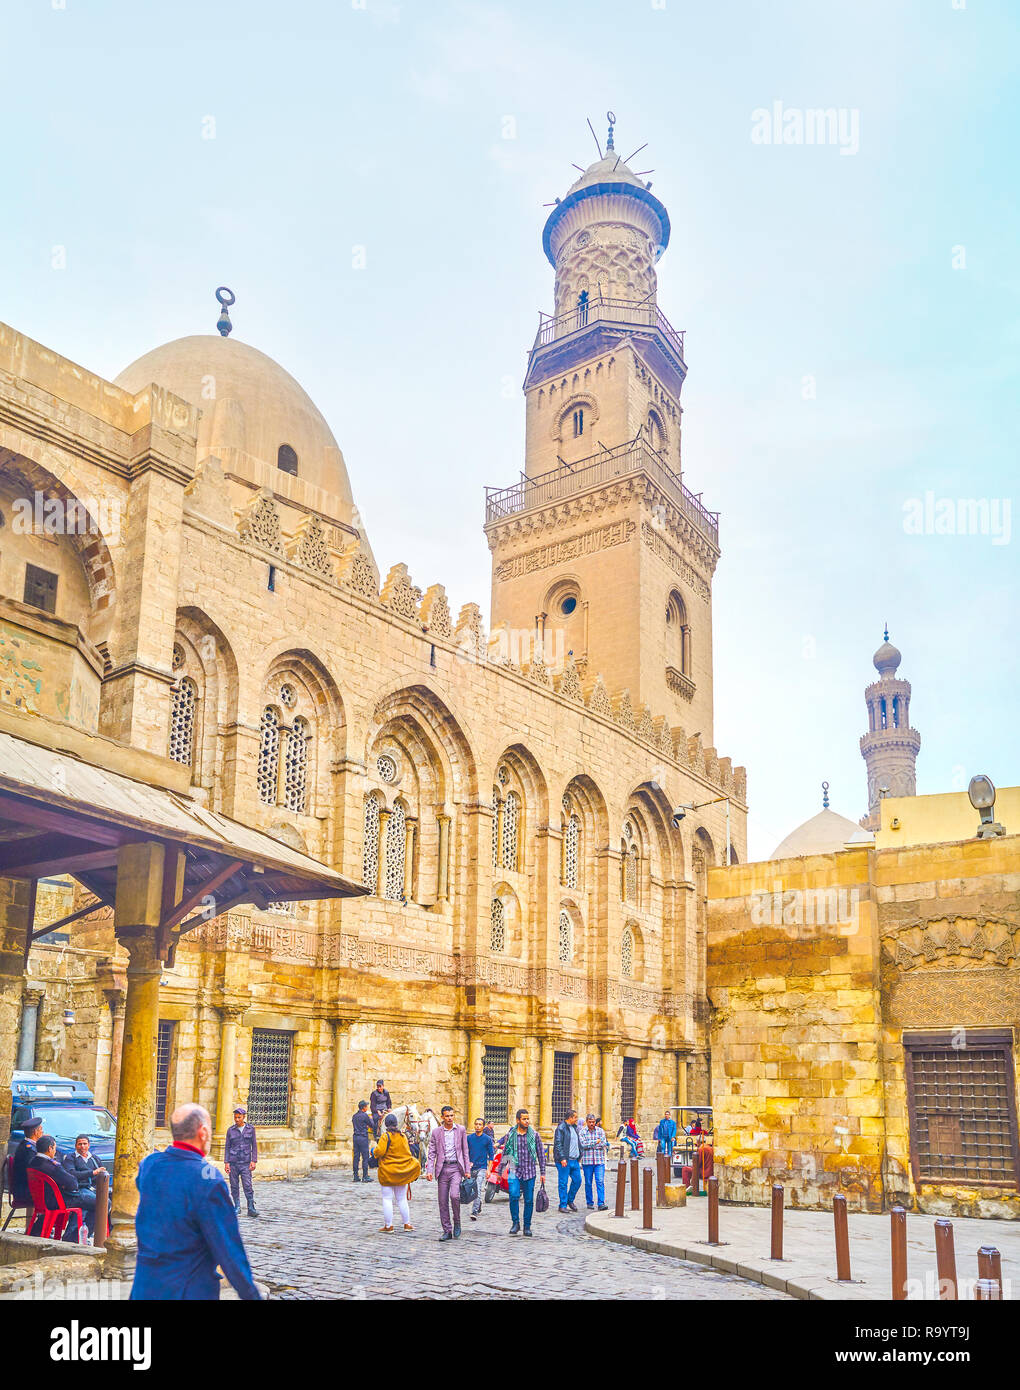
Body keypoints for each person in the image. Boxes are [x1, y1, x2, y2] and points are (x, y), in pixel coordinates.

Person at [131, 1102, 261, 1300]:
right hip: (188, 1290)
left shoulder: (149, 1165)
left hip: (145, 1288)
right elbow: (228, 1249)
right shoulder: (208, 1178)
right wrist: (251, 1295)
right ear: (203, 1132)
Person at [425, 1104, 470, 1242]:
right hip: (442, 1169)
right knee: (442, 1201)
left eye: (452, 1115)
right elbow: (432, 1152)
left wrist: (467, 1170)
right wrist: (429, 1170)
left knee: (455, 1196)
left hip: (456, 1168)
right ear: (442, 1117)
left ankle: (457, 1222)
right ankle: (447, 1230)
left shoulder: (461, 1130)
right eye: (447, 1116)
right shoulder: (436, 1132)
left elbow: (465, 1151)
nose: (450, 1118)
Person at [498, 1108, 546, 1237]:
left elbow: (541, 1154)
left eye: (528, 1119)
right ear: (518, 1120)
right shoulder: (511, 1135)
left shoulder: (534, 1135)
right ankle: (515, 1223)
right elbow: (506, 1153)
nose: (527, 1121)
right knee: (513, 1196)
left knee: (529, 1200)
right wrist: (500, 1171)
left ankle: (527, 1226)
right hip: (514, 1170)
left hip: (530, 1172)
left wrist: (543, 1173)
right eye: (524, 1119)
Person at [28, 1134, 86, 1240]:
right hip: (56, 1201)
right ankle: (72, 1238)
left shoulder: (32, 1162)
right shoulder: (52, 1166)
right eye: (54, 1148)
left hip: (41, 1200)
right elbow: (73, 1183)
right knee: (97, 1203)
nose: (55, 1151)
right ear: (50, 1148)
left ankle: (38, 1231)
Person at [374, 1112, 420, 1232]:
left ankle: (389, 1226)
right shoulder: (403, 1136)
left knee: (387, 1199)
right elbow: (407, 1153)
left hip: (387, 1172)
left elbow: (379, 1152)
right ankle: (407, 1224)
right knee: (402, 1199)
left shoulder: (385, 1136)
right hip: (401, 1172)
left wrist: (373, 1151)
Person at [62, 1134, 110, 1237]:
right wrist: (92, 1173)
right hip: (80, 1189)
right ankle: (83, 1235)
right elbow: (71, 1174)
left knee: (111, 1201)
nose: (82, 1146)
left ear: (89, 1145)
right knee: (102, 1203)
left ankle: (91, 1233)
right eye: (80, 1144)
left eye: (85, 1144)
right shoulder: (71, 1158)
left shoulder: (95, 1159)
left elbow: (100, 1174)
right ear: (75, 1146)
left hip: (94, 1189)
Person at [223, 1105, 259, 1217]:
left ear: (243, 1117)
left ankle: (251, 1207)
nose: (237, 1119)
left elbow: (254, 1145)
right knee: (234, 1185)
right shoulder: (230, 1130)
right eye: (235, 1117)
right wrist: (226, 1162)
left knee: (247, 1185)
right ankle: (237, 1207)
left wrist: (254, 1161)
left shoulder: (250, 1129)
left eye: (239, 1117)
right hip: (233, 1162)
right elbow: (227, 1147)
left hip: (246, 1162)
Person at [553, 1107, 582, 1213]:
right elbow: (558, 1143)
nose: (577, 1119)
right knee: (563, 1183)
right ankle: (562, 1205)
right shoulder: (561, 1128)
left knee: (578, 1180)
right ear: (570, 1117)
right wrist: (562, 1158)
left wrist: (580, 1154)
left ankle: (570, 1200)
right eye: (575, 1117)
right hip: (564, 1160)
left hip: (574, 1160)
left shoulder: (574, 1128)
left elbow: (577, 1142)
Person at [578, 1113, 609, 1211]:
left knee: (600, 1181)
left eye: (593, 1122)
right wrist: (596, 1142)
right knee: (588, 1182)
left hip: (599, 1161)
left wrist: (593, 1144)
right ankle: (589, 1202)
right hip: (587, 1162)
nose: (592, 1124)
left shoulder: (600, 1131)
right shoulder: (582, 1132)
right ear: (587, 1122)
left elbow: (604, 1143)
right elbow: (583, 1145)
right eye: (590, 1122)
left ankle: (601, 1203)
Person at [466, 1117, 494, 1221]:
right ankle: (479, 1203)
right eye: (476, 1124)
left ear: (483, 1126)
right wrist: (467, 1164)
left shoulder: (487, 1139)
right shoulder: (469, 1138)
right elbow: (465, 1152)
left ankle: (474, 1211)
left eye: (480, 1124)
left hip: (482, 1167)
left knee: (477, 1187)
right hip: (471, 1167)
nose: (477, 1126)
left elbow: (491, 1155)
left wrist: (489, 1170)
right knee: (471, 1190)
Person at [11, 1115, 43, 1208]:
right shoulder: (29, 1150)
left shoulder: (26, 1145)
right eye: (41, 1129)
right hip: (25, 1192)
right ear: (35, 1132)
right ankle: (44, 1222)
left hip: (25, 1189)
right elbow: (36, 1171)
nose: (42, 1132)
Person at [352, 1100, 373, 1182]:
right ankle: (365, 1176)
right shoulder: (365, 1116)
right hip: (363, 1137)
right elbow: (372, 1125)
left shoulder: (354, 1116)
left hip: (356, 1137)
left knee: (356, 1157)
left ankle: (355, 1175)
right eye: (366, 1106)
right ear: (364, 1107)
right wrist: (370, 1119)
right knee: (365, 1157)